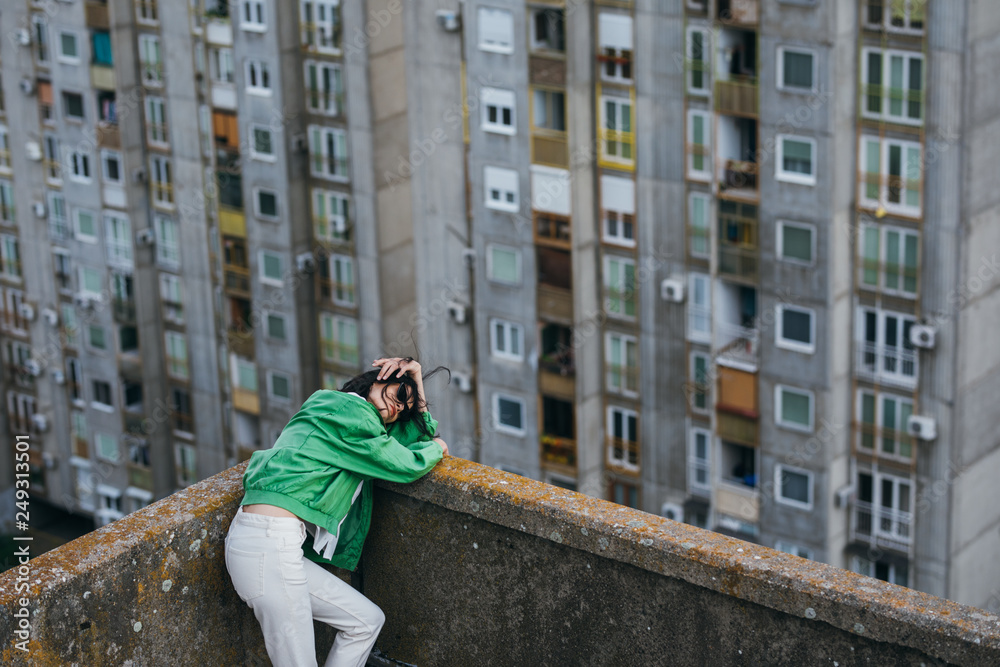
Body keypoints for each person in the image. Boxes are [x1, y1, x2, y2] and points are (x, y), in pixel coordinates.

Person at [225, 357, 449, 667]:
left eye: (405, 409)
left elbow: (417, 437)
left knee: (366, 622)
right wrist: (438, 447)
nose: (399, 409)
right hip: (269, 543)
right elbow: (406, 462)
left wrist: (416, 380)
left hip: (268, 544)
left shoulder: (338, 409)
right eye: (399, 396)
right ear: (378, 379)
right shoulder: (354, 414)